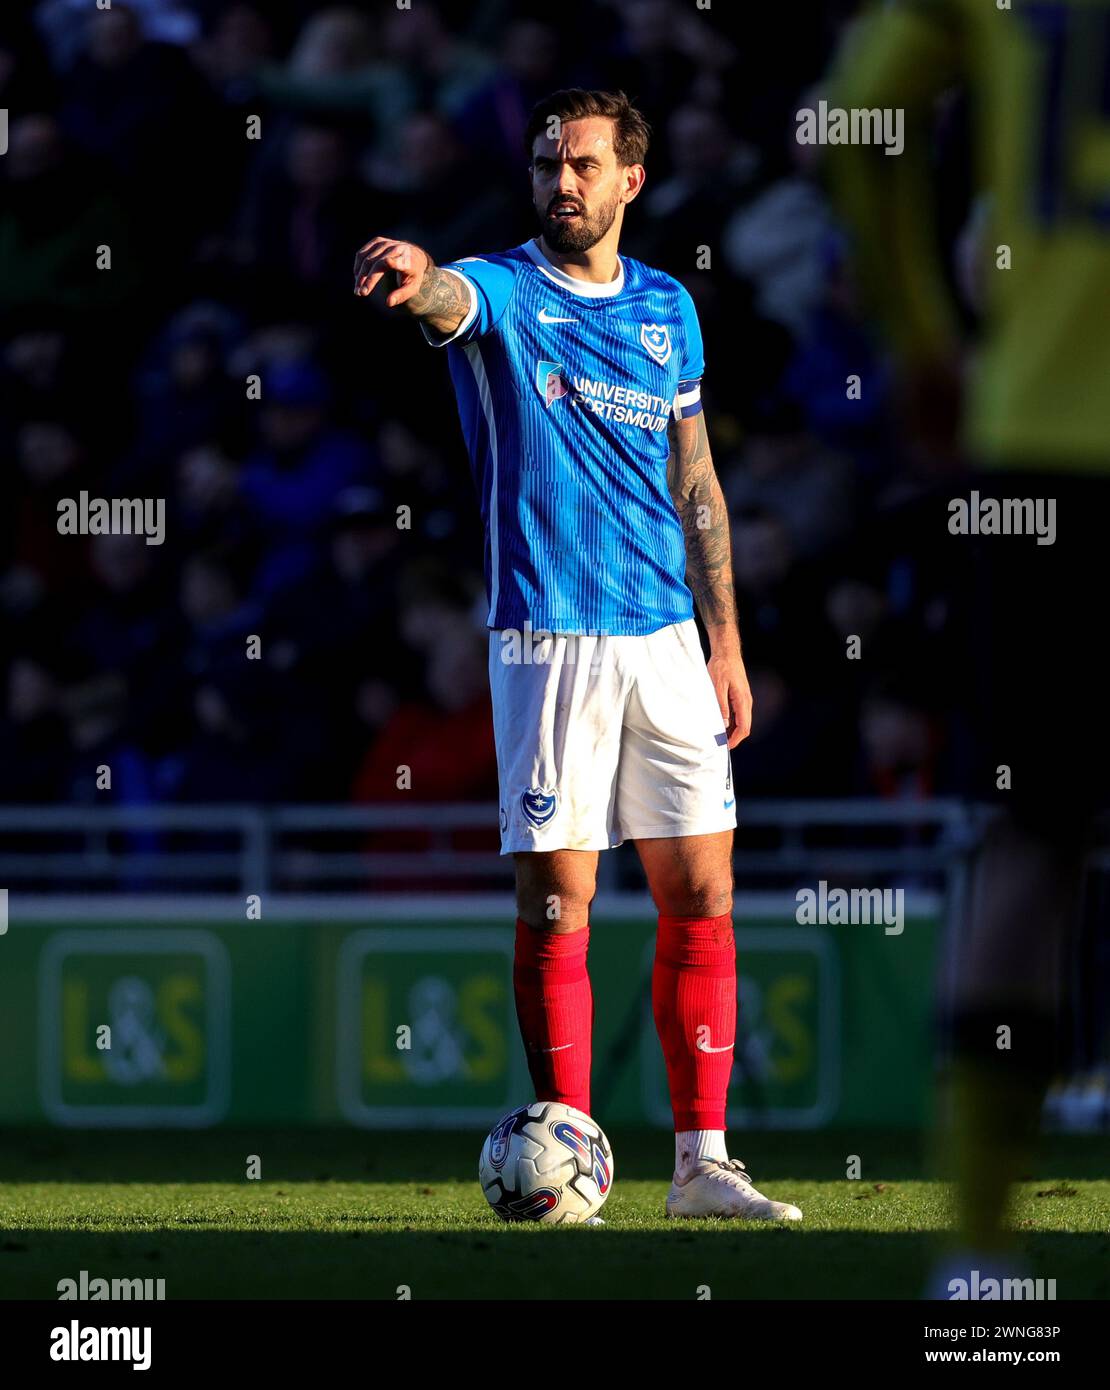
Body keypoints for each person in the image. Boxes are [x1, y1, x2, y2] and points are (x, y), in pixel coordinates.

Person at [354, 87, 802, 1221]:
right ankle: (571, 1153)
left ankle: (702, 1164)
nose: (563, 180)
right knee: (562, 903)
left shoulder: (668, 309)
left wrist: (727, 643)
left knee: (703, 891)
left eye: (585, 164)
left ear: (629, 181)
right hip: (549, 632)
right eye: (549, 160)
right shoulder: (503, 287)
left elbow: (695, 482)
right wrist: (420, 276)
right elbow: (448, 298)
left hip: (665, 640)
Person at [827, 0, 1110, 1289]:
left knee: (1036, 838)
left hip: (1043, 433)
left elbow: (854, 119)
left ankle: (986, 1253)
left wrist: (925, 341)